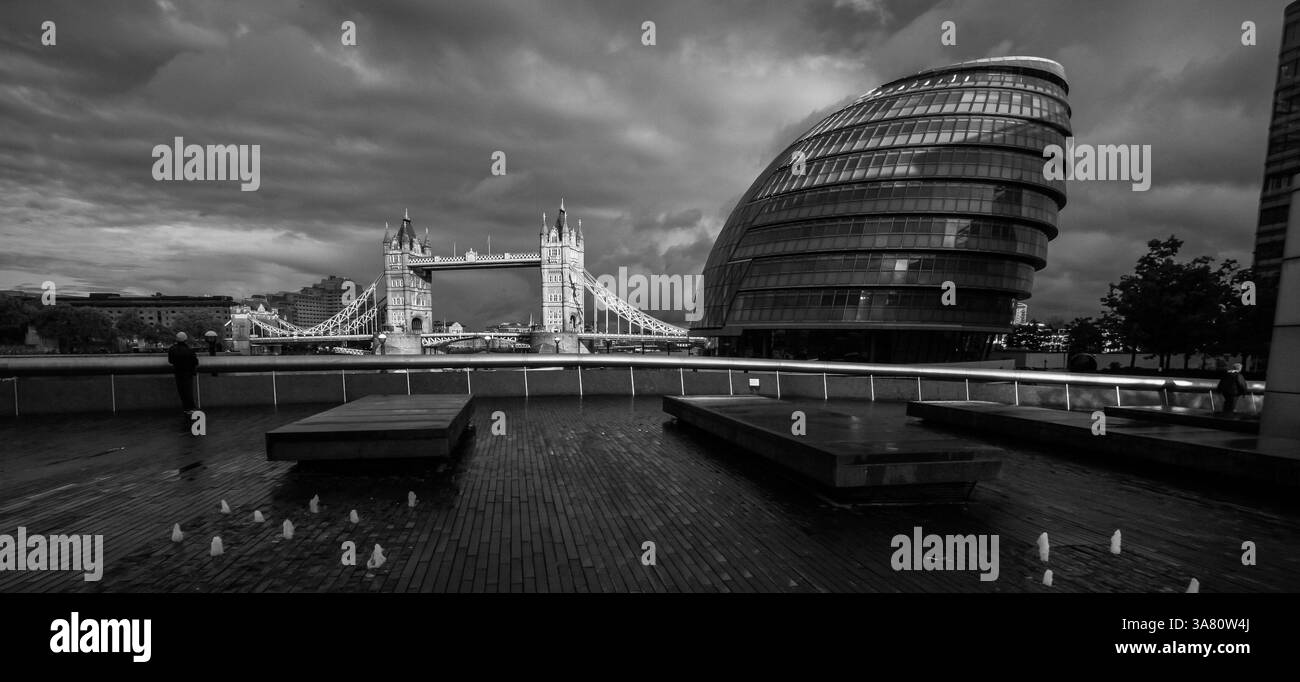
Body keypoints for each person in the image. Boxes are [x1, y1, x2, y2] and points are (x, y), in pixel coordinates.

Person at [168, 332, 199, 412]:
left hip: (178, 373)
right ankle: (191, 408)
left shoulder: (172, 349)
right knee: (188, 391)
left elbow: (170, 361)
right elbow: (195, 362)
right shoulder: (189, 350)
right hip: (188, 373)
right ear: (186, 340)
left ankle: (185, 408)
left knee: (181, 391)